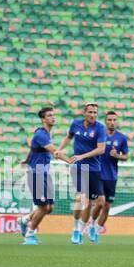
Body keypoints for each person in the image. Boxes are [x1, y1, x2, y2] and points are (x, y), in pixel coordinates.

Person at [57, 103, 106, 245]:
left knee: (99, 202)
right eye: (90, 112)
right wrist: (60, 149)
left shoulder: (100, 128)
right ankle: (76, 231)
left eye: (95, 112)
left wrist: (82, 155)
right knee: (81, 198)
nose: (93, 115)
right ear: (84, 113)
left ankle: (85, 228)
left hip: (94, 168)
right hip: (79, 167)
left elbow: (101, 149)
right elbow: (68, 137)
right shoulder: (75, 124)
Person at [21, 107, 68, 245]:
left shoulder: (47, 133)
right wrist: (71, 161)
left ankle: (24, 220)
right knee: (43, 208)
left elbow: (34, 149)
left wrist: (27, 159)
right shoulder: (41, 134)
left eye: (53, 115)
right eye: (49, 116)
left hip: (45, 173)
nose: (53, 117)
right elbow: (54, 151)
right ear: (43, 119)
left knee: (50, 207)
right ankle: (29, 235)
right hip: (36, 173)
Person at [93, 110, 129, 241]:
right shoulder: (98, 135)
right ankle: (90, 224)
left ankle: (95, 232)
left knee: (107, 206)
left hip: (111, 176)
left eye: (114, 120)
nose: (112, 122)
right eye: (109, 120)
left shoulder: (122, 138)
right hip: (97, 174)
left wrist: (117, 155)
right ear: (105, 121)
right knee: (100, 202)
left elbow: (126, 156)